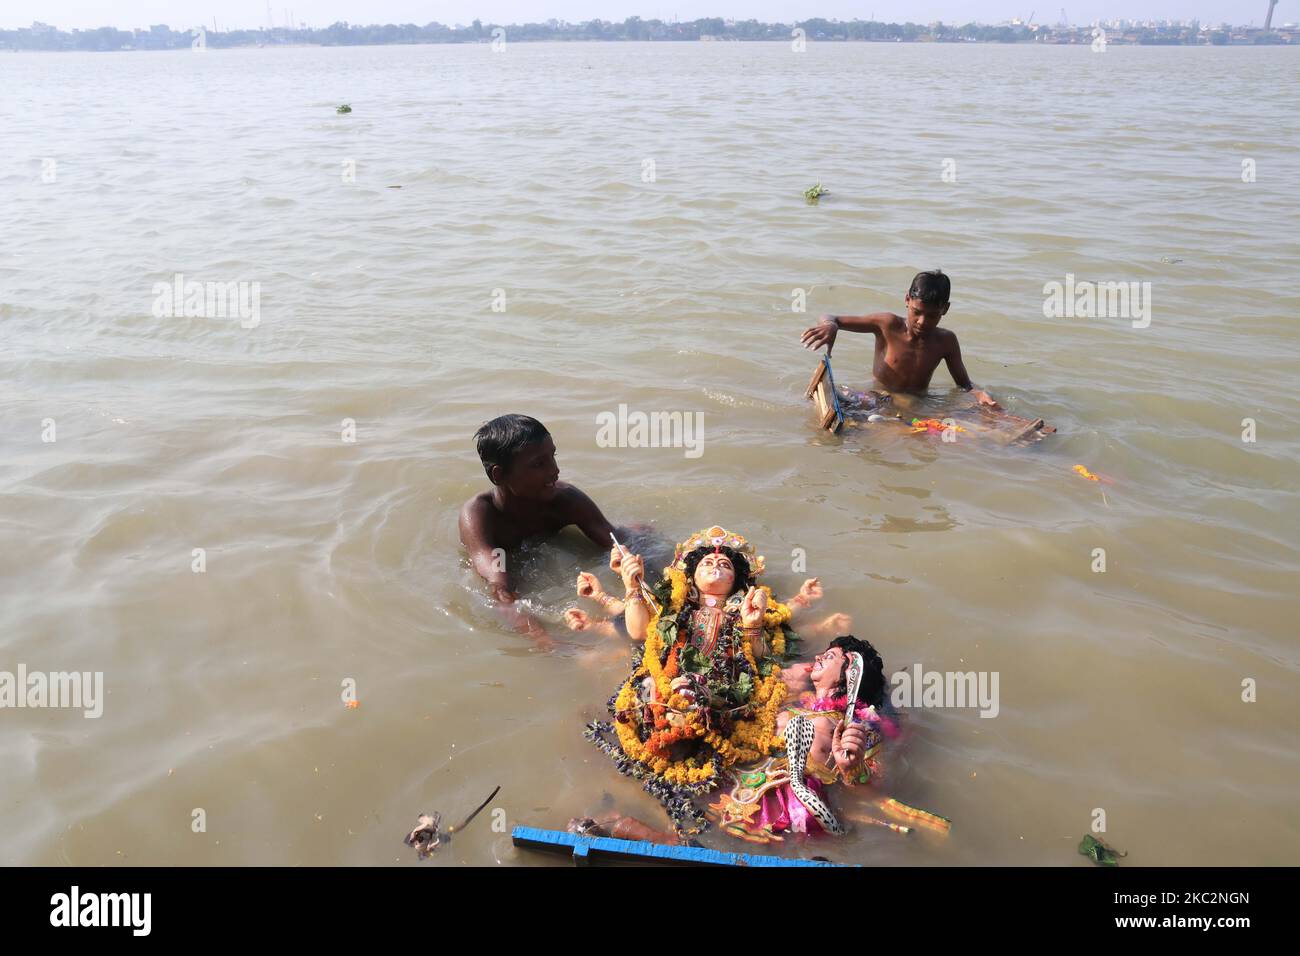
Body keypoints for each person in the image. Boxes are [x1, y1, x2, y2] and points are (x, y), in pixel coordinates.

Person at [458, 414, 620, 642]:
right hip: (511, 560)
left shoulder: (565, 500)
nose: (555, 471)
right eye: (538, 464)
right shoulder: (480, 516)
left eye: (552, 457)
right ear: (499, 475)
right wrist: (544, 641)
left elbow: (617, 543)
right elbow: (500, 590)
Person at [799, 270, 1001, 410]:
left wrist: (979, 394)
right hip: (877, 400)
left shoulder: (946, 341)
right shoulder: (887, 325)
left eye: (932, 316)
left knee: (980, 417)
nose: (922, 322)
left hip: (918, 405)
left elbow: (964, 385)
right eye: (917, 312)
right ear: (907, 300)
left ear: (945, 310)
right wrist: (830, 326)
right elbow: (830, 317)